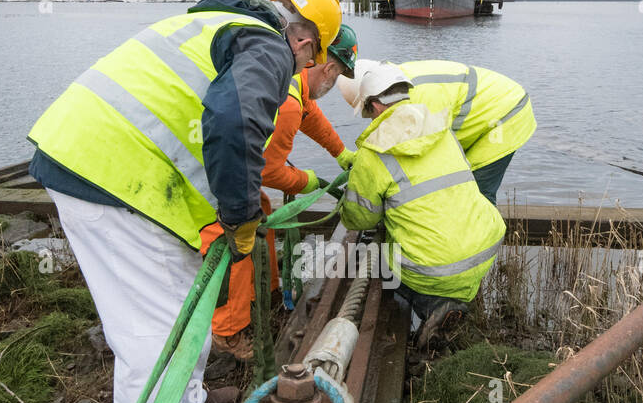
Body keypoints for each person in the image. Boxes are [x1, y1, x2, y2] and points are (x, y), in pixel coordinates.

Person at [27, 0, 342, 403]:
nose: (303, 72)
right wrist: (242, 216)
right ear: (307, 43)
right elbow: (233, 120)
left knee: (180, 316)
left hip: (106, 167)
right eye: (314, 60)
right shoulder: (268, 45)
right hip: (117, 181)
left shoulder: (212, 25)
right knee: (156, 337)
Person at [203, 23, 359, 360]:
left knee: (263, 224)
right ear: (330, 68)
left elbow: (311, 116)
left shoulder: (295, 84)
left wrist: (340, 153)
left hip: (229, 161)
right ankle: (227, 334)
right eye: (338, 76)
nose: (333, 85)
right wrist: (310, 182)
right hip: (225, 173)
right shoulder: (289, 100)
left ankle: (265, 293)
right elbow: (268, 171)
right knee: (235, 244)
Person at [339, 66, 506, 346]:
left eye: (368, 113)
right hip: (483, 250)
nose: (370, 121)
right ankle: (457, 300)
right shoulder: (443, 130)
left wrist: (357, 188)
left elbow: (359, 220)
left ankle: (432, 307)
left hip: (438, 269)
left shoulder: (372, 154)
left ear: (377, 105)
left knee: (382, 254)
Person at [339, 58, 535, 206]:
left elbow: (421, 155)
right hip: (495, 109)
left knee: (474, 192)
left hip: (504, 115)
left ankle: (480, 249)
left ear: (373, 98)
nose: (373, 118)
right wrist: (362, 160)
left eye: (369, 111)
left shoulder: (417, 99)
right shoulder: (400, 85)